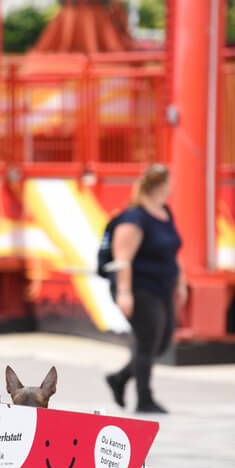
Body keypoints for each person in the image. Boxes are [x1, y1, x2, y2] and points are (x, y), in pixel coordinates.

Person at [103, 164, 187, 414]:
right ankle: (144, 399)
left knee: (160, 342)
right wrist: (124, 292)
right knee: (148, 341)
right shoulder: (134, 217)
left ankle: (119, 378)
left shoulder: (165, 212)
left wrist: (180, 281)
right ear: (160, 185)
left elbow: (173, 251)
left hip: (162, 288)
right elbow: (123, 258)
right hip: (140, 289)